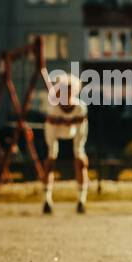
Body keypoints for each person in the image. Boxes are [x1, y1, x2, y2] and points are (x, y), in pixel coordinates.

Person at [41, 68, 90, 214]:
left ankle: (82, 200)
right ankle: (46, 200)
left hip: (75, 132)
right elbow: (51, 131)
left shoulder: (80, 108)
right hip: (54, 132)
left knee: (80, 161)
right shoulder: (53, 109)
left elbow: (81, 132)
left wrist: (80, 151)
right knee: (50, 160)